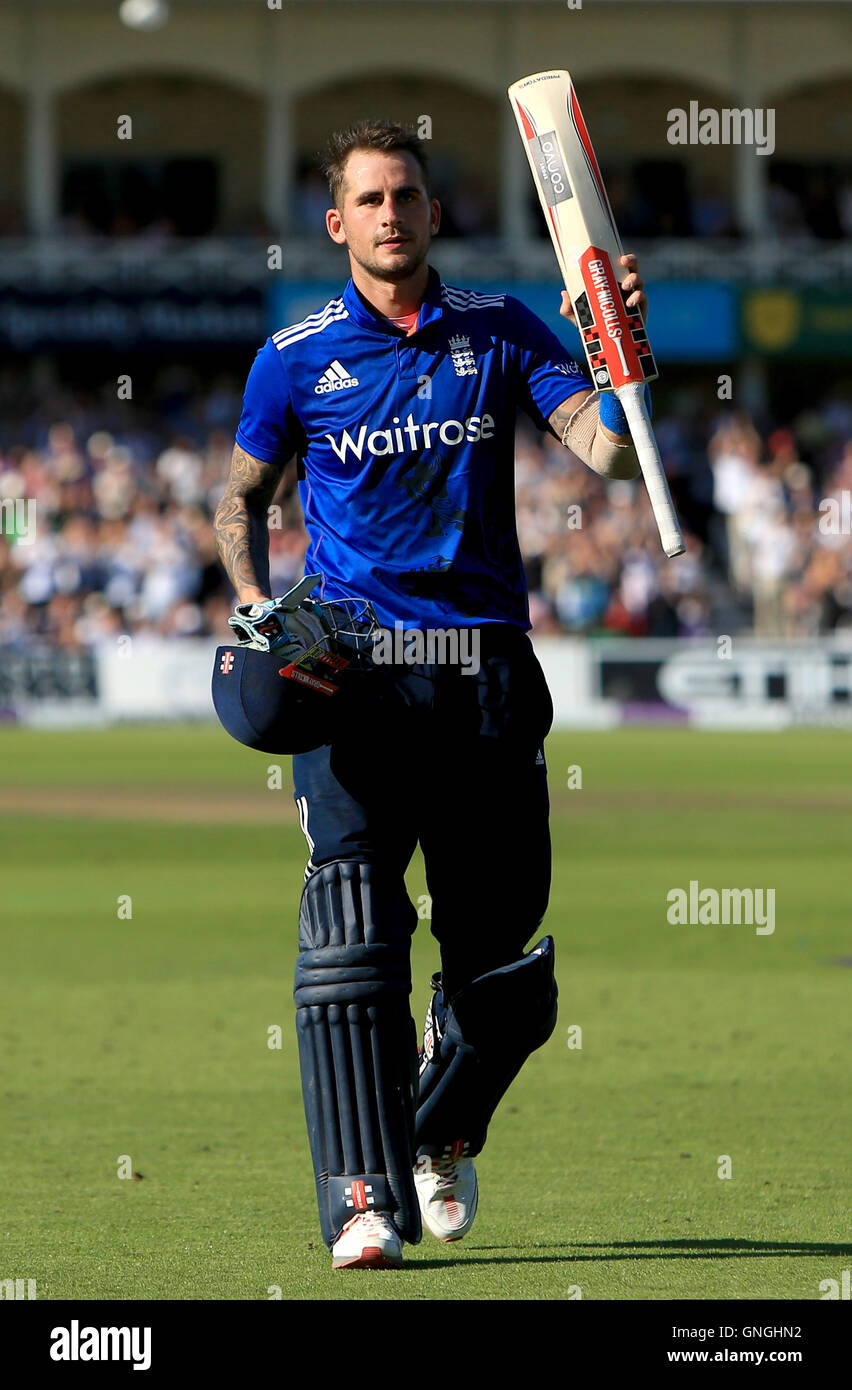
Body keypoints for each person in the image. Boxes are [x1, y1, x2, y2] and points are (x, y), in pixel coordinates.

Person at [213, 119, 647, 1270]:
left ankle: (442, 1131)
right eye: (370, 197)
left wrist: (619, 355)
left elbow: (604, 450)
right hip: (355, 678)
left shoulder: (499, 329)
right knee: (353, 936)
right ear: (337, 222)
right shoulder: (294, 354)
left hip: (488, 678)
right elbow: (239, 500)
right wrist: (257, 608)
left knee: (502, 979)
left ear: (433, 212)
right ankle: (362, 1198)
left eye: (408, 193)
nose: (391, 213)